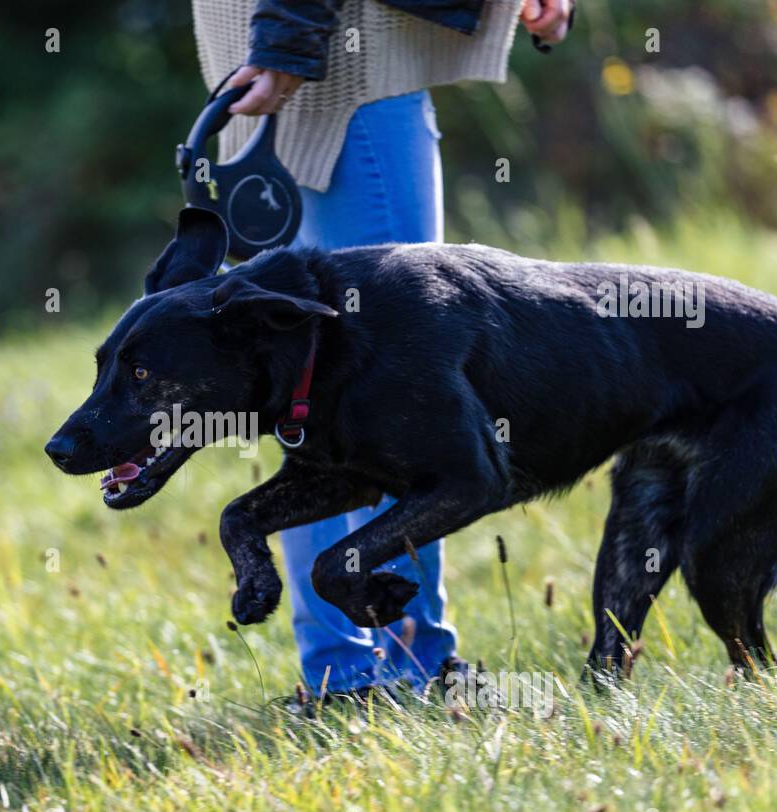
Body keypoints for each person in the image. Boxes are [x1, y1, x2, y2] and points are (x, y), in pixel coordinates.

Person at [190, 0, 574, 698]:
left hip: (301, 66)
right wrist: (287, 48)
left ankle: (343, 671)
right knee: (401, 396)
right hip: (337, 75)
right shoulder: (312, 67)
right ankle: (413, 665)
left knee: (318, 401)